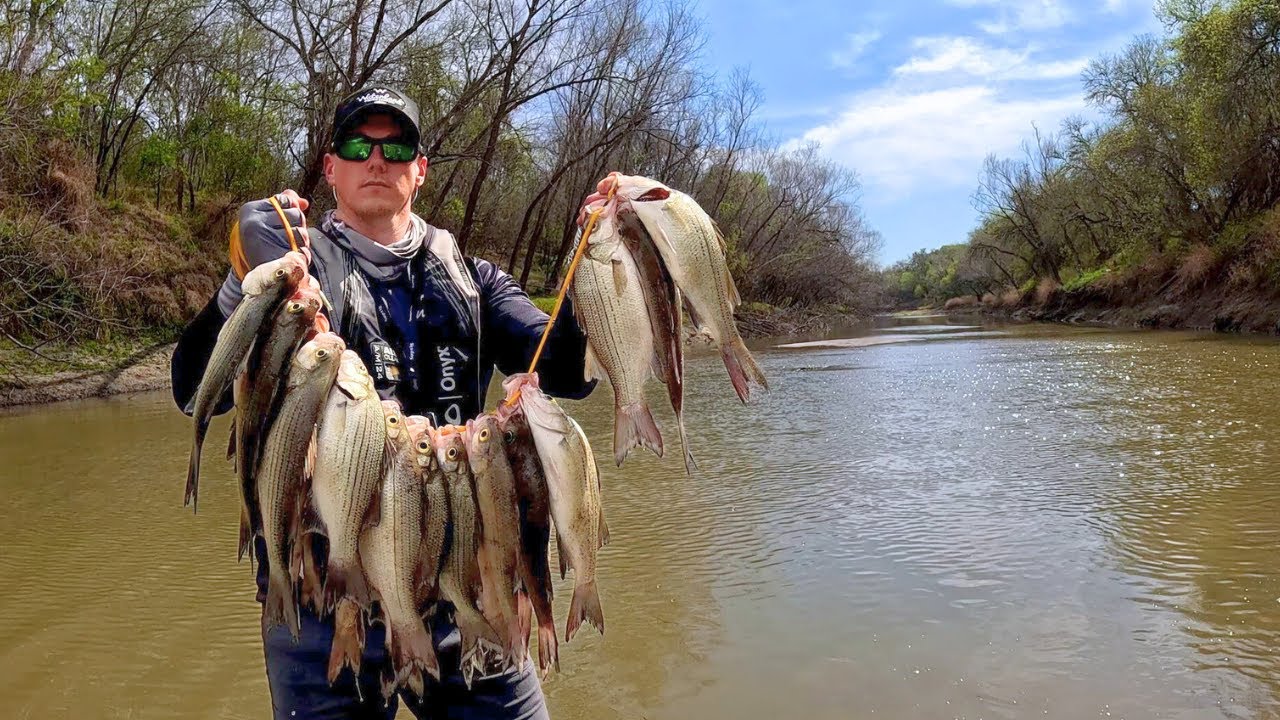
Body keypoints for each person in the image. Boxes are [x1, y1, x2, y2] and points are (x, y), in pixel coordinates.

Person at [170, 85, 598, 720]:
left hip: (466, 591)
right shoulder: (291, 276)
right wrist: (241, 283)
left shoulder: (475, 280)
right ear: (330, 167)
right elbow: (190, 391)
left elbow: (567, 370)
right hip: (321, 606)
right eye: (357, 145)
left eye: (396, 148)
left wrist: (597, 271)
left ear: (419, 170)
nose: (376, 160)